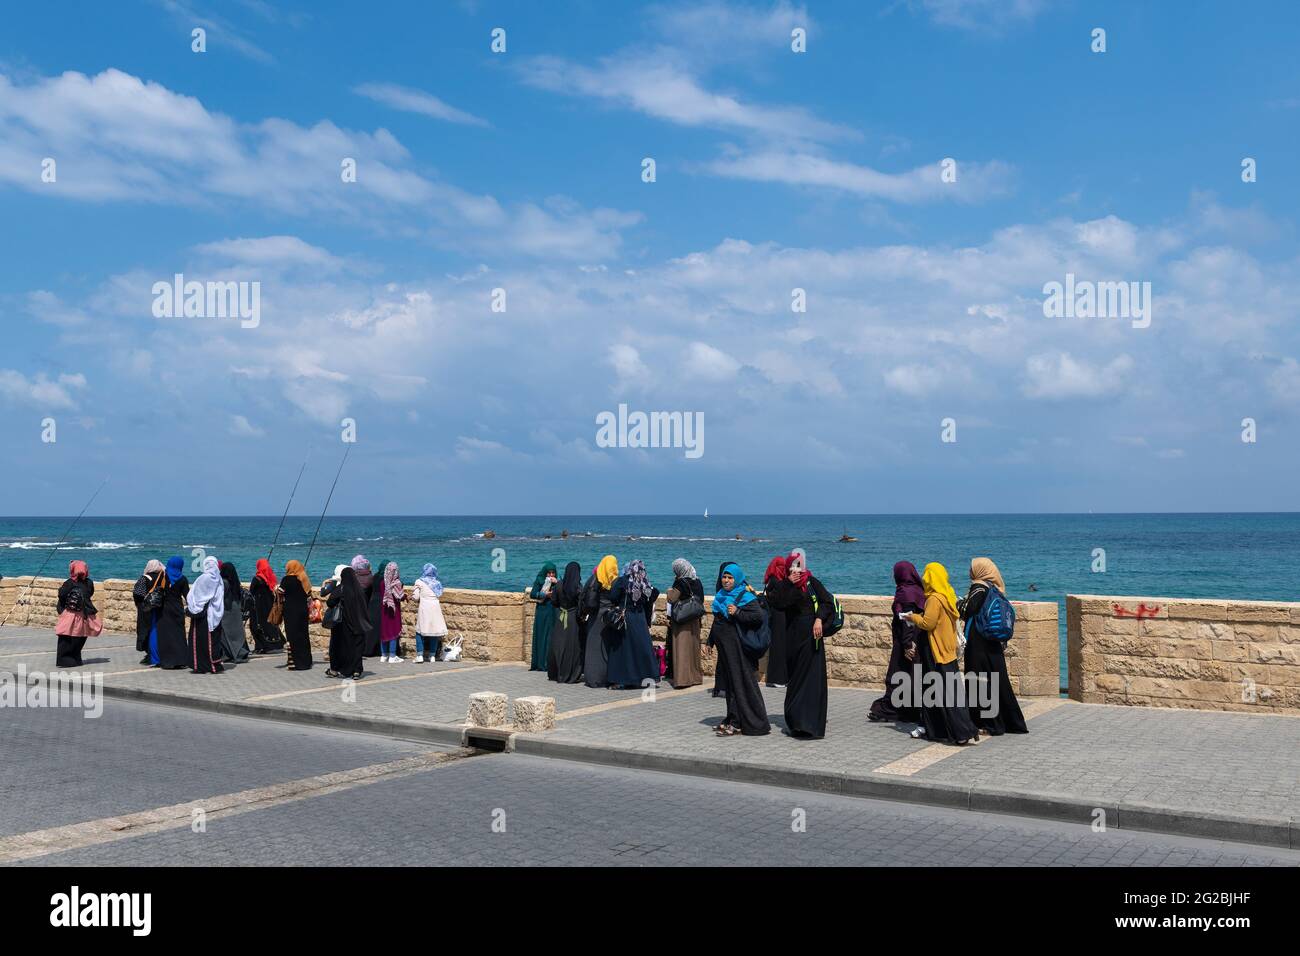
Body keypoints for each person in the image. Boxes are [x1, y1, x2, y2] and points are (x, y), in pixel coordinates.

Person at [909, 562, 979, 745]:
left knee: (941, 692)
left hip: (935, 650)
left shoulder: (934, 599)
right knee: (952, 691)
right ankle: (956, 728)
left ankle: (962, 731)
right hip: (948, 650)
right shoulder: (948, 594)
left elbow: (927, 624)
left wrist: (912, 617)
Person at [766, 549, 832, 739]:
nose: (796, 570)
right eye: (793, 567)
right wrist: (788, 584)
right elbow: (778, 604)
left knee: (813, 680)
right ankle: (796, 723)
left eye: (799, 566)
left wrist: (819, 619)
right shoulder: (783, 585)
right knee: (796, 679)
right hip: (793, 638)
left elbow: (827, 602)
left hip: (813, 638)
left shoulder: (811, 582)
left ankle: (811, 724)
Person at [959, 557, 1028, 736]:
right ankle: (1011, 722)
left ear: (979, 570)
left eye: (972, 568)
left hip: (978, 641)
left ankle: (989, 724)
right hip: (992, 642)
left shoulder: (978, 587)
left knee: (978, 681)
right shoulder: (994, 588)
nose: (969, 571)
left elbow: (968, 610)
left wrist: (958, 604)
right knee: (998, 681)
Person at [707, 562, 769, 736]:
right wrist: (709, 641)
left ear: (737, 578)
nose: (726, 580)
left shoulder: (745, 595)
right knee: (729, 683)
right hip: (725, 647)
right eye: (724, 577)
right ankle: (731, 718)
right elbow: (717, 620)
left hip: (737, 649)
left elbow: (757, 617)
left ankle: (739, 722)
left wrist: (737, 613)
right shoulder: (721, 594)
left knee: (739, 683)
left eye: (730, 577)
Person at [606, 559, 659, 689]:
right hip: (639, 618)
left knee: (623, 650)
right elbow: (653, 595)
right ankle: (647, 677)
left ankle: (621, 679)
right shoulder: (645, 583)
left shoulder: (623, 581)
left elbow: (612, 596)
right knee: (641, 648)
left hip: (626, 618)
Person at [663, 558, 703, 689]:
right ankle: (695, 678)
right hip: (694, 618)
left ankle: (683, 680)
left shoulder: (680, 582)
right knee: (693, 649)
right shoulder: (697, 580)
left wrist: (669, 590)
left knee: (682, 649)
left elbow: (672, 598)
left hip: (682, 620)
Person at [325, 564, 370, 680]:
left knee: (338, 647)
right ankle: (356, 671)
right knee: (356, 647)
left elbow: (330, 603)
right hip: (357, 623)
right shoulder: (359, 589)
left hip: (341, 625)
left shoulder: (341, 589)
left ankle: (335, 670)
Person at [582, 555, 619, 688]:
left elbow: (584, 594)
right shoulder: (615, 580)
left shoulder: (594, 578)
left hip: (595, 617)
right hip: (609, 618)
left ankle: (592, 678)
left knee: (593, 647)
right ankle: (607, 677)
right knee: (608, 648)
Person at [185, 556, 225, 674]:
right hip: (214, 613)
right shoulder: (219, 578)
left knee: (200, 640)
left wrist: (193, 606)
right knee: (213, 640)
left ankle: (202, 665)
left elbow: (196, 596)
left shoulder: (203, 578)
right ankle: (214, 665)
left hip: (202, 614)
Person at [55, 560, 98, 667]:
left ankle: (64, 659)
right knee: (79, 637)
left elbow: (61, 595)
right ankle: (76, 658)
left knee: (66, 637)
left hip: (70, 615)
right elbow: (90, 593)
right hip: (84, 615)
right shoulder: (89, 583)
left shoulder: (69, 583)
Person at [547, 561, 584, 683]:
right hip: (573, 619)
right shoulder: (578, 587)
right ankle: (570, 673)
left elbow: (554, 601)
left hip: (561, 618)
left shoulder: (559, 585)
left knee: (558, 645)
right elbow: (581, 605)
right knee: (572, 647)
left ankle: (557, 673)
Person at [155, 556, 191, 670]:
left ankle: (166, 661)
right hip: (176, 609)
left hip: (163, 609)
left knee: (165, 635)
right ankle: (180, 660)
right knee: (178, 634)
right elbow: (187, 596)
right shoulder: (183, 579)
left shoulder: (162, 576)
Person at [281, 559, 314, 670]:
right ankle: (306, 661)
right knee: (303, 635)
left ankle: (296, 662)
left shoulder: (286, 579)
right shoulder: (304, 578)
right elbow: (309, 593)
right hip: (303, 611)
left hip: (290, 612)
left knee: (293, 636)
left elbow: (280, 592)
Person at [411, 563, 448, 663]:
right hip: (435, 608)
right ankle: (432, 656)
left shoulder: (419, 581)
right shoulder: (437, 583)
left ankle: (420, 655)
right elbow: (439, 594)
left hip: (424, 607)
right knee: (434, 632)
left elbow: (416, 597)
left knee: (419, 631)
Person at [762, 556, 789, 688]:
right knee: (779, 647)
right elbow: (781, 598)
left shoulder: (770, 579)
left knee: (778, 647)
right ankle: (778, 679)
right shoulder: (776, 580)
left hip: (775, 616)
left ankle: (778, 678)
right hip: (779, 617)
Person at [132, 559, 165, 665]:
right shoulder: (162, 577)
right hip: (159, 608)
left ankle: (149, 654)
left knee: (145, 630)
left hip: (146, 609)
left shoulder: (145, 578)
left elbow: (138, 594)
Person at [217, 562, 250, 663]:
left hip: (226, 610)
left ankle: (228, 654)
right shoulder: (235, 581)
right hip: (236, 609)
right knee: (237, 633)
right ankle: (240, 652)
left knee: (226, 633)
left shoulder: (223, 582)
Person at [528, 562, 558, 671]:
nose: (550, 575)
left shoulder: (557, 582)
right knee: (541, 636)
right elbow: (532, 594)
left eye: (553, 573)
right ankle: (540, 663)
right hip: (542, 611)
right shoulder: (539, 580)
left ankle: (548, 662)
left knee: (550, 636)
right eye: (548, 573)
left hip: (552, 611)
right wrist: (545, 594)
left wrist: (558, 583)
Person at [249, 558, 283, 654]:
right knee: (270, 626)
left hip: (258, 607)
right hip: (269, 606)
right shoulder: (271, 576)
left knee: (256, 626)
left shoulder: (257, 579)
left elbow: (251, 592)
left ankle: (261, 646)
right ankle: (276, 643)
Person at [377, 561, 405, 662]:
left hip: (384, 609)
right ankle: (392, 655)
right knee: (394, 630)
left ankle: (383, 655)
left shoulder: (382, 583)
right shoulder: (397, 583)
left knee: (384, 630)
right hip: (394, 611)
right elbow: (400, 597)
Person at [366, 560, 388, 658]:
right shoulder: (387, 578)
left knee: (372, 627)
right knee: (381, 627)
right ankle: (380, 650)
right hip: (382, 602)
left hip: (372, 602)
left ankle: (368, 649)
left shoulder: (374, 577)